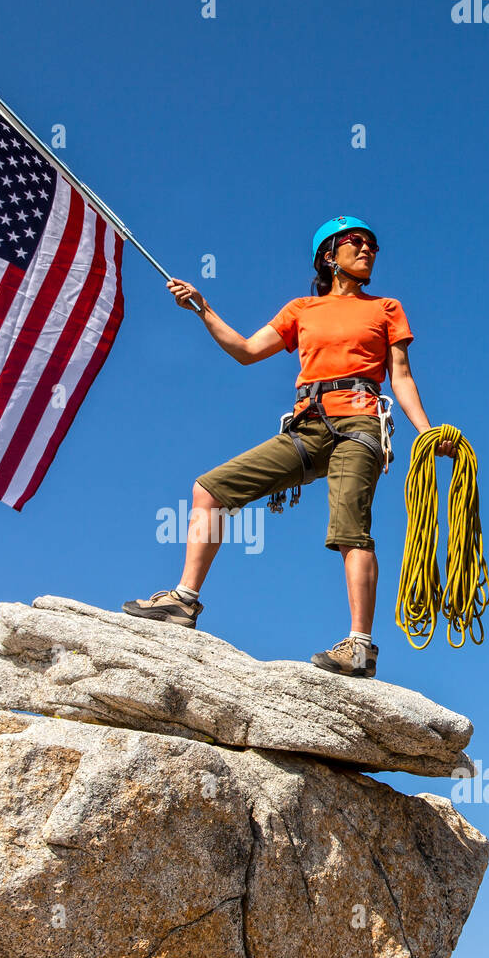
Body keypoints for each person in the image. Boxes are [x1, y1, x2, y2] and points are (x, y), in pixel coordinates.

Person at [122, 215, 455, 676]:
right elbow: (245, 350)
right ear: (328, 255)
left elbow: (400, 376)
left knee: (350, 529)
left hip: (360, 422)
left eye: (372, 245)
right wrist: (202, 308)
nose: (367, 250)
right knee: (210, 491)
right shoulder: (301, 309)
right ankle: (184, 602)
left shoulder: (387, 308)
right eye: (356, 242)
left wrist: (425, 432)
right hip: (307, 425)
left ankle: (359, 647)